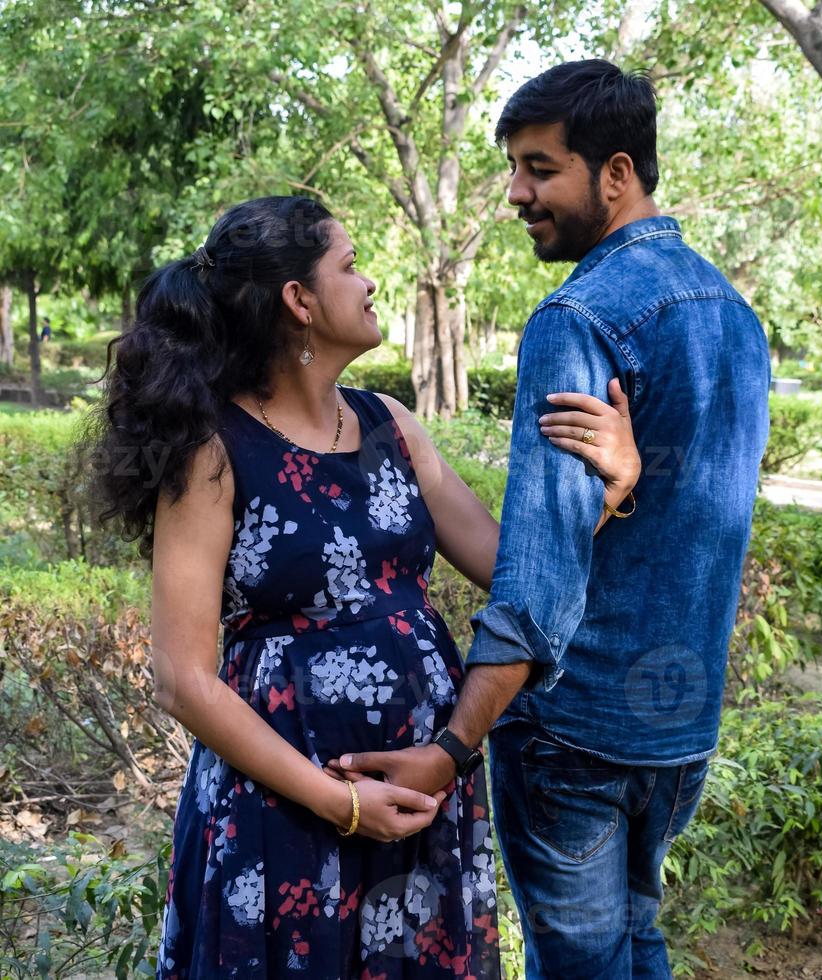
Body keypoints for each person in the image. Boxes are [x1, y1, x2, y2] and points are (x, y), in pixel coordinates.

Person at [87, 195, 640, 978]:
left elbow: (509, 564)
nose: (372, 281)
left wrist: (612, 491)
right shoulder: (214, 450)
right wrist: (338, 802)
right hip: (287, 809)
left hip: (417, 798)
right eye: (350, 265)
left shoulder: (391, 424)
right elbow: (181, 678)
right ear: (299, 301)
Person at [331, 61, 772, 978]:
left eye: (539, 169)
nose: (516, 195)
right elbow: (693, 522)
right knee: (636, 941)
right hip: (680, 728)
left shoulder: (577, 319)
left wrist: (454, 744)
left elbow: (537, 579)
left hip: (577, 726)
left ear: (615, 174)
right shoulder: (734, 315)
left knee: (582, 965)